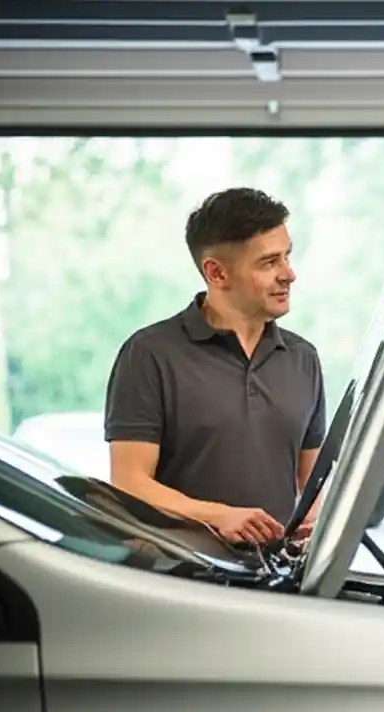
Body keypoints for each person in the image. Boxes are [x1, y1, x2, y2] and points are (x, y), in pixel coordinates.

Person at [104, 187, 326, 545]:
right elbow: (129, 483)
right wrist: (218, 517)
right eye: (269, 262)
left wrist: (318, 520)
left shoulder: (303, 358)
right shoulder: (149, 354)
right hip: (180, 579)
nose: (289, 274)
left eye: (287, 257)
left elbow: (312, 482)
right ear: (216, 273)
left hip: (277, 585)